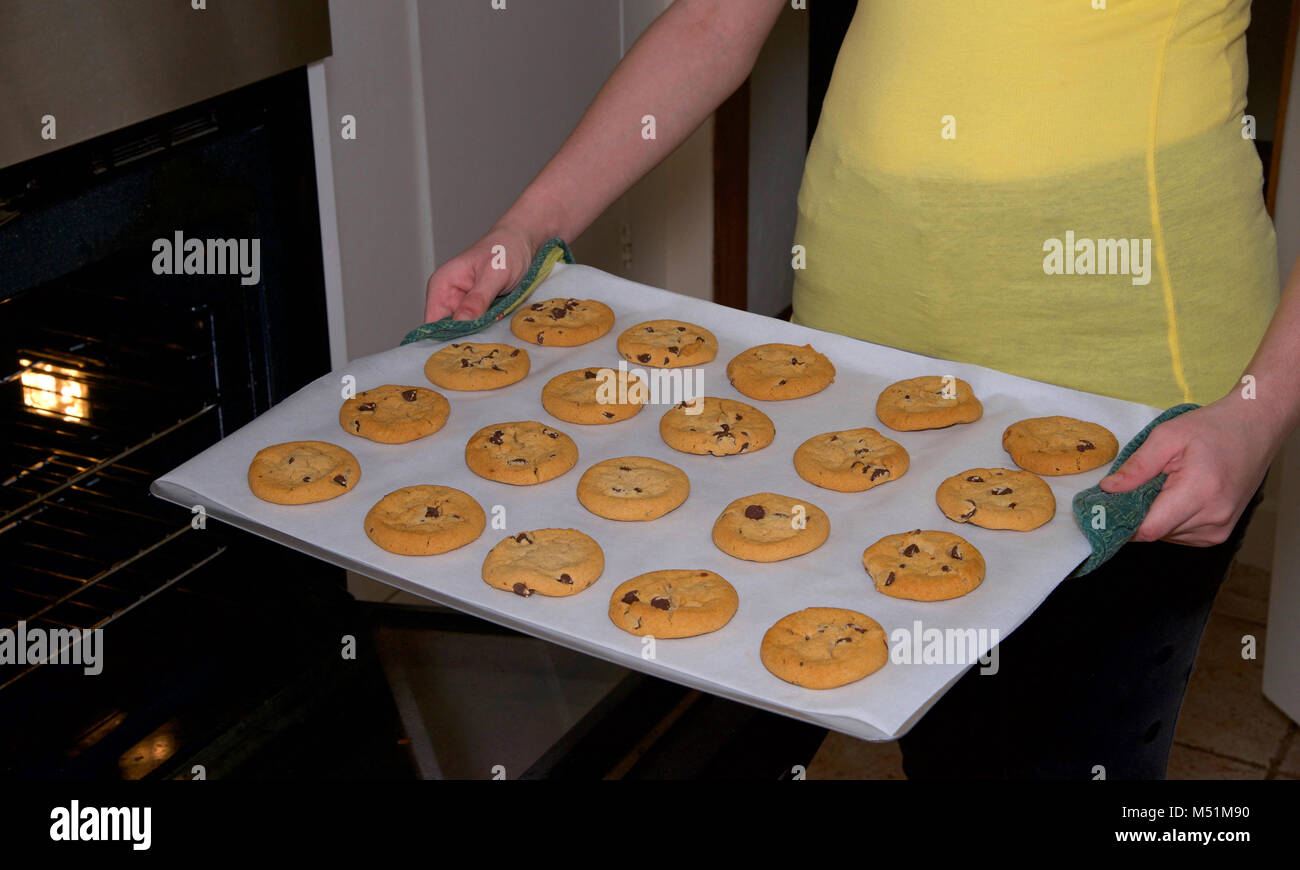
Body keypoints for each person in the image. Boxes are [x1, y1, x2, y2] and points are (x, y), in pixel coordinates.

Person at [425, 0, 1298, 777]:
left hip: (1125, 408)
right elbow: (716, 20)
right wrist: (530, 225)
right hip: (843, 391)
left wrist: (1260, 413)